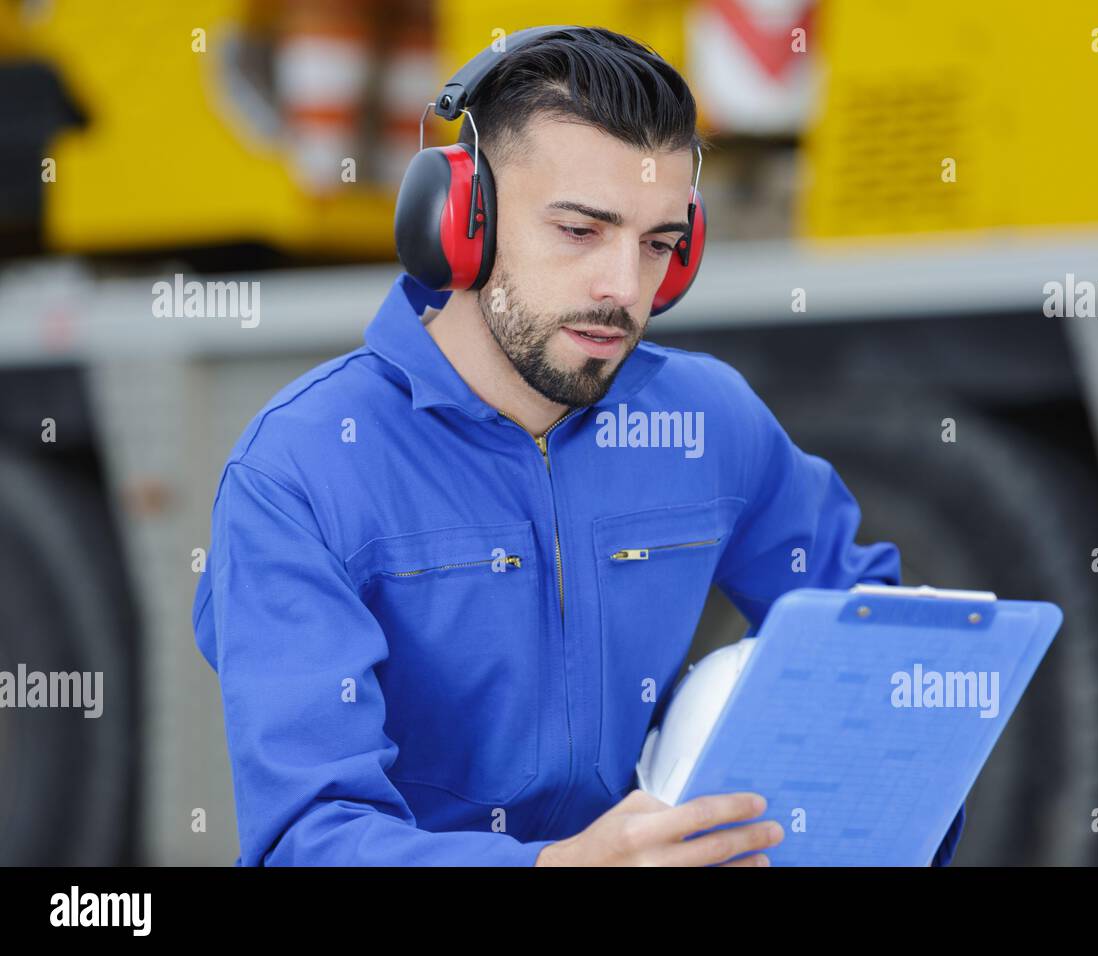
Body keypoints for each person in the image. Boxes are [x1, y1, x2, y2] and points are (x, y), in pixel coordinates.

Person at [192, 25, 965, 867]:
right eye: (580, 231)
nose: (624, 289)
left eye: (659, 243)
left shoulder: (707, 421)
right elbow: (308, 840)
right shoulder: (303, 469)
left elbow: (876, 646)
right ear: (460, 221)